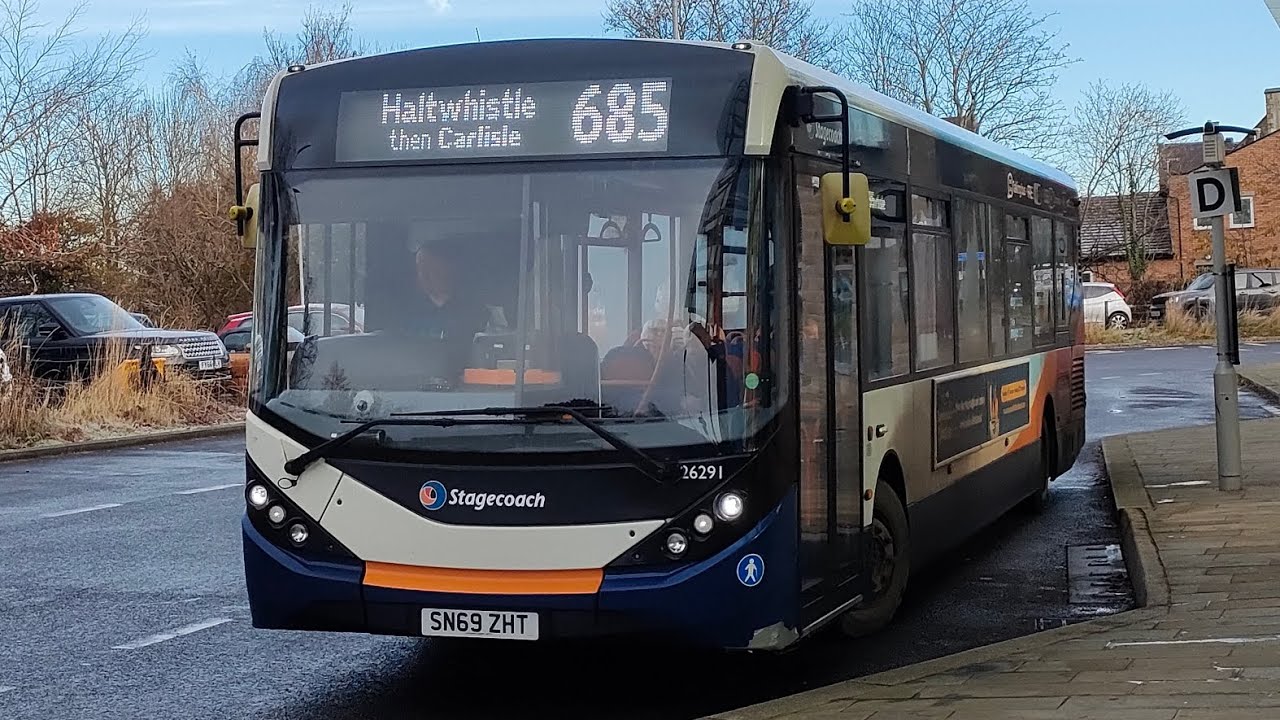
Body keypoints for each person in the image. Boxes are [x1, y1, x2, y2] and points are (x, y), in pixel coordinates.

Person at [407, 235, 491, 375]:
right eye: (421, 268)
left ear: (451, 268)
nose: (426, 275)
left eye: (434, 268)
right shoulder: (408, 314)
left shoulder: (479, 314)